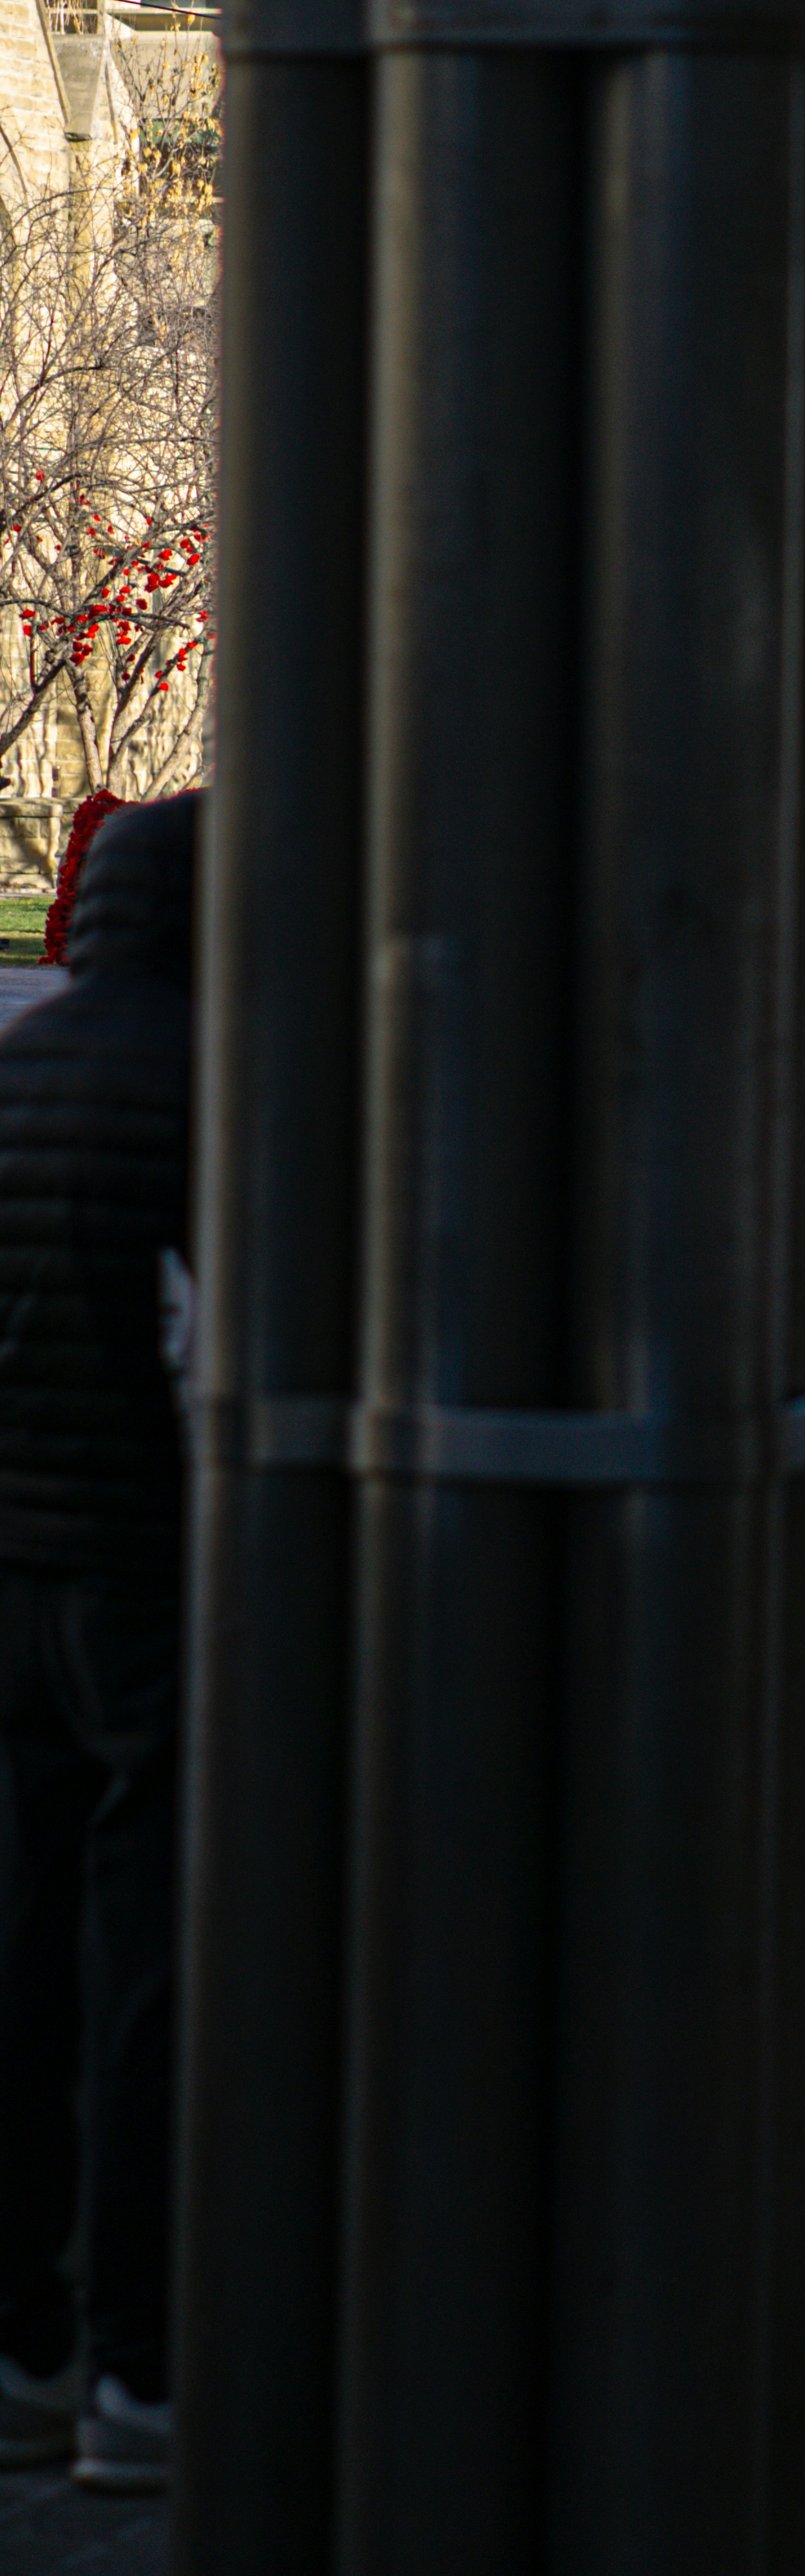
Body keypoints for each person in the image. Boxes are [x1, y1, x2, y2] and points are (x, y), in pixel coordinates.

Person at [0, 796, 197, 2496]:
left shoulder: (18, 1068)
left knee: (24, 1960)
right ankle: (144, 2366)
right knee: (153, 1978)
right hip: (155, 1578)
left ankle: (22, 2350)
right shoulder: (223, 1089)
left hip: (15, 1578)